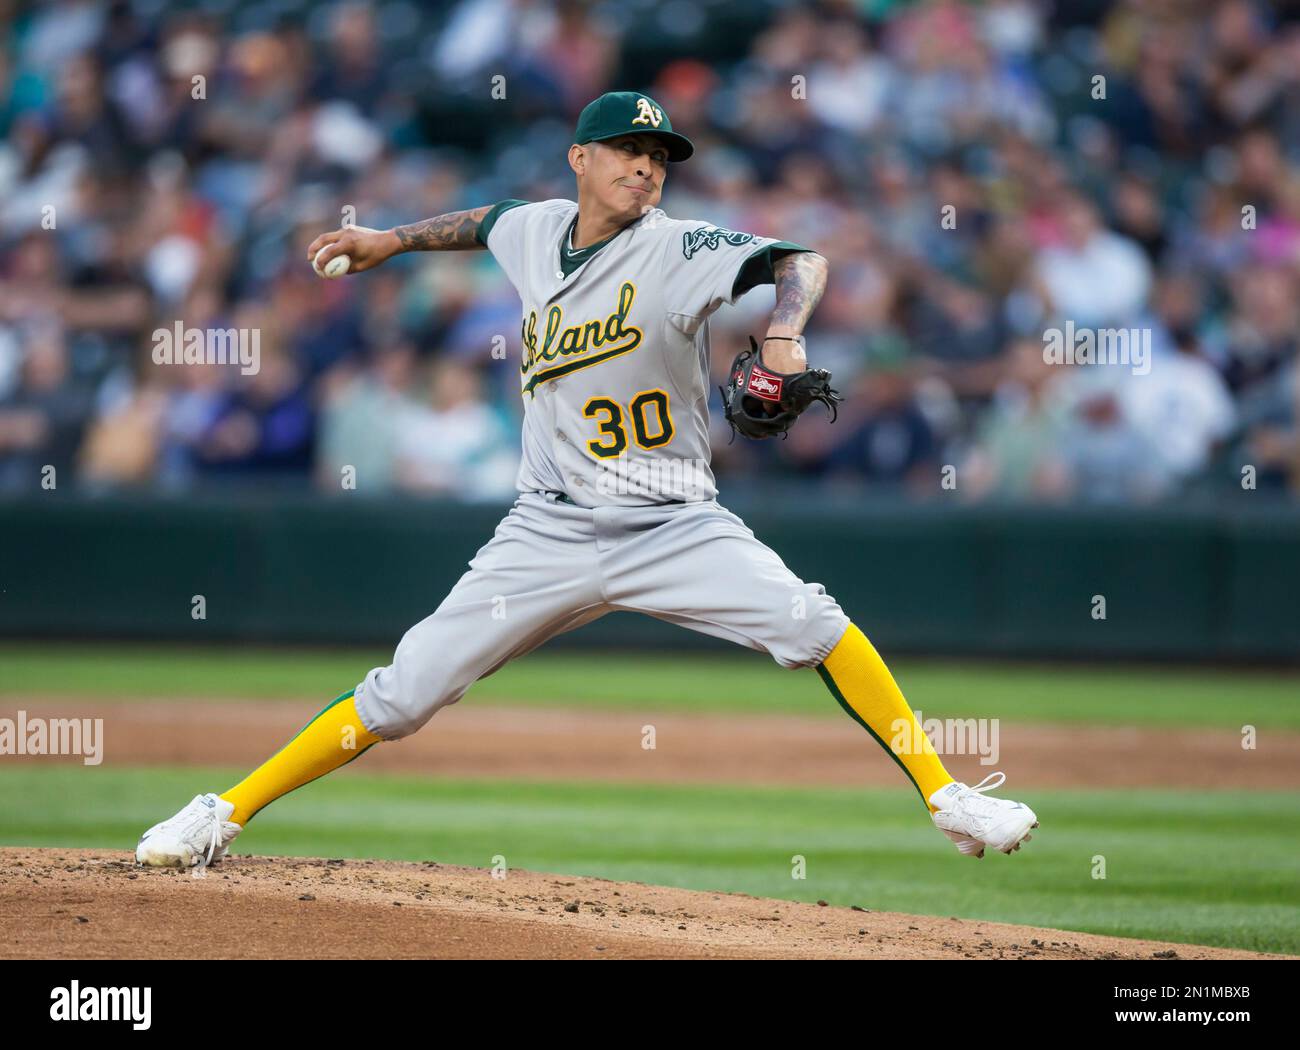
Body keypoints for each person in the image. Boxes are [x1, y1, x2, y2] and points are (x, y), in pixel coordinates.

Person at [135, 92, 1037, 873]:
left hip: (674, 522)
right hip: (548, 528)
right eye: (628, 152)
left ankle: (945, 794)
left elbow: (801, 259)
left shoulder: (680, 247)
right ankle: (224, 812)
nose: (646, 169)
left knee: (817, 623)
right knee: (403, 693)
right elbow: (484, 220)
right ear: (580, 158)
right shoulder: (534, 230)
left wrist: (786, 331)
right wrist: (388, 242)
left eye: (658, 157)